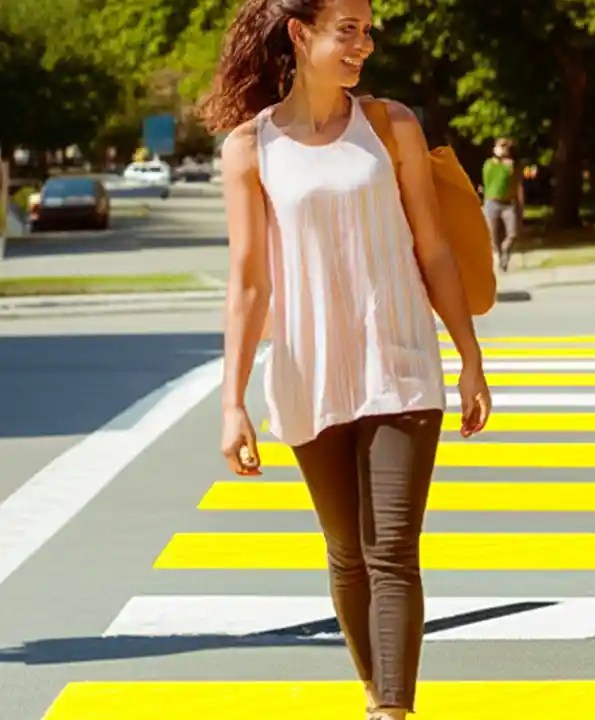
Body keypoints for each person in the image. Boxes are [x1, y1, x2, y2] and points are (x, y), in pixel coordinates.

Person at [197, 1, 492, 718]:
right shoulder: (250, 147)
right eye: (347, 30)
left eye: (367, 30)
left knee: (391, 549)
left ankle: (394, 709)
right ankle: (373, 691)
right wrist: (233, 400)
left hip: (399, 361)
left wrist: (469, 355)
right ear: (301, 35)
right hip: (310, 367)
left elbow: (435, 247)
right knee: (347, 554)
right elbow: (250, 280)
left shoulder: (391, 125)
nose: (364, 44)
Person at [481, 137, 523, 272]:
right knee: (493, 236)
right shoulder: (489, 164)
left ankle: (505, 250)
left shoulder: (511, 166)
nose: (503, 149)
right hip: (491, 202)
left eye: (505, 146)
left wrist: (520, 204)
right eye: (501, 146)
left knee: (513, 233)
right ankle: (500, 259)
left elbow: (516, 184)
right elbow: (487, 178)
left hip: (508, 203)